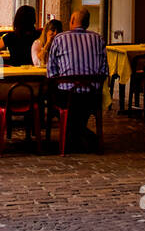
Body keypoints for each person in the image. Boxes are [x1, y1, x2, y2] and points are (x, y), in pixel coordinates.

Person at [46, 9, 108, 149]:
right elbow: (104, 71)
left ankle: (76, 135)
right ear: (87, 23)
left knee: (51, 100)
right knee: (81, 109)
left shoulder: (60, 39)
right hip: (92, 97)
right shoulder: (98, 39)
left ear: (72, 21)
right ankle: (81, 134)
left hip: (67, 97)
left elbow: (51, 72)